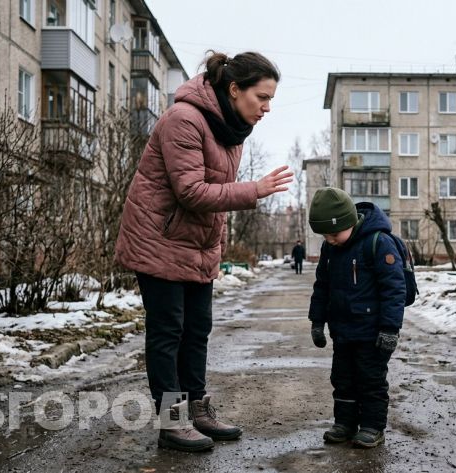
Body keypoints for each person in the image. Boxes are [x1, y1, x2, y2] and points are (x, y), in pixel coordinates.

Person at [114, 51, 292, 452]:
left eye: (271, 100)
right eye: (262, 97)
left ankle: (196, 410)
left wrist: (216, 246)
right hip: (158, 240)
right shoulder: (185, 119)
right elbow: (192, 192)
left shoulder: (231, 129)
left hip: (195, 247)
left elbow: (214, 198)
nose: (266, 108)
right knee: (168, 332)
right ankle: (171, 422)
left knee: (197, 330)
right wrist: (254, 190)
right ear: (234, 89)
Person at [307, 187, 406, 449]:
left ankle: (373, 427)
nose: (329, 239)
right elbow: (322, 286)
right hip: (342, 331)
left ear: (349, 222)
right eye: (324, 235)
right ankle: (345, 424)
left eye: (333, 233)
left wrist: (389, 329)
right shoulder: (331, 249)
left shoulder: (378, 242)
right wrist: (317, 322)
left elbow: (394, 289)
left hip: (372, 333)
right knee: (342, 379)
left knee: (370, 381)